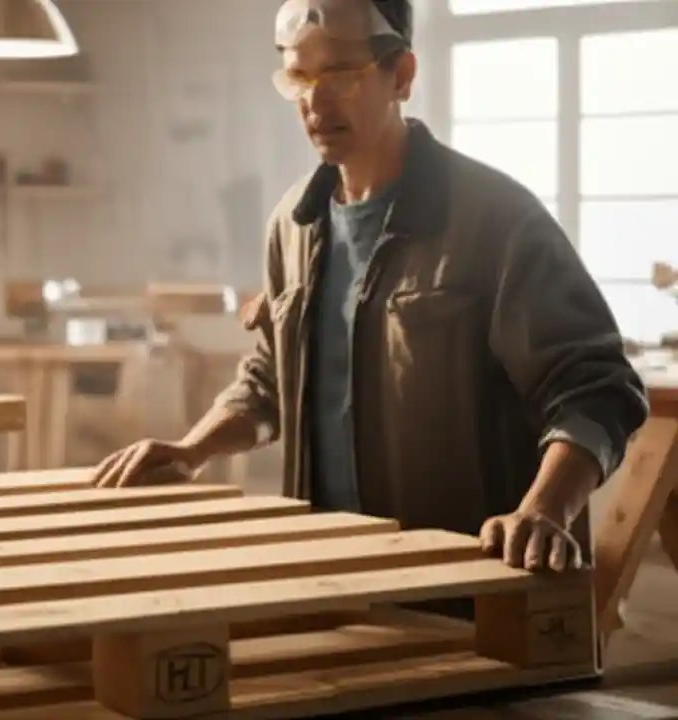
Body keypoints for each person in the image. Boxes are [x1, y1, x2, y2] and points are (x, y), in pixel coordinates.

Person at [91, 0, 648, 576]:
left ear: (401, 75)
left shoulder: (495, 219)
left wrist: (545, 509)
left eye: (340, 74)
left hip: (473, 583)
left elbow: (597, 389)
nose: (315, 102)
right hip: (331, 575)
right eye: (299, 77)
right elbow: (271, 380)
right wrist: (192, 450)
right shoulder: (293, 224)